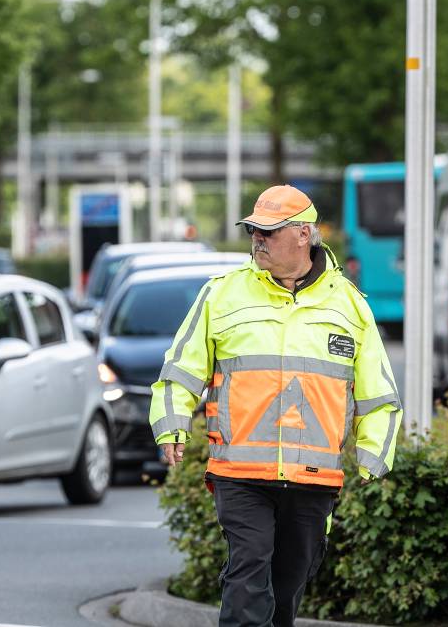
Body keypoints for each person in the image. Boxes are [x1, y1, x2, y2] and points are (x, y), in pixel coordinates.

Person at [150, 185, 402, 627]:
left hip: (313, 477)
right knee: (247, 575)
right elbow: (179, 370)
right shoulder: (221, 294)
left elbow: (378, 393)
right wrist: (171, 426)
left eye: (268, 231)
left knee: (289, 586)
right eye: (253, 231)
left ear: (304, 235)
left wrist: (374, 458)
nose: (257, 240)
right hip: (240, 474)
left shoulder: (349, 305)